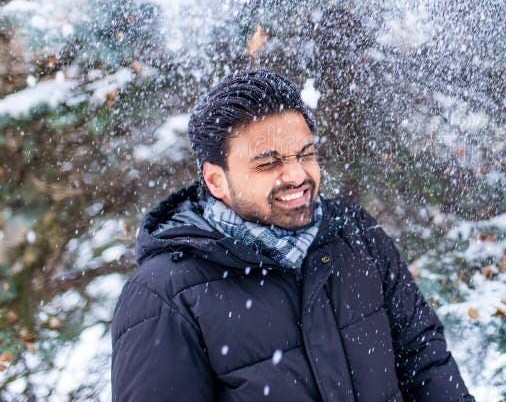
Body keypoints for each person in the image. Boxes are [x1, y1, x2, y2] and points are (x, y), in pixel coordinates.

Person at [111, 69, 473, 401]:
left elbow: (426, 362)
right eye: (269, 163)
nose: (297, 175)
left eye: (305, 154)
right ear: (215, 180)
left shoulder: (354, 234)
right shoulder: (164, 295)